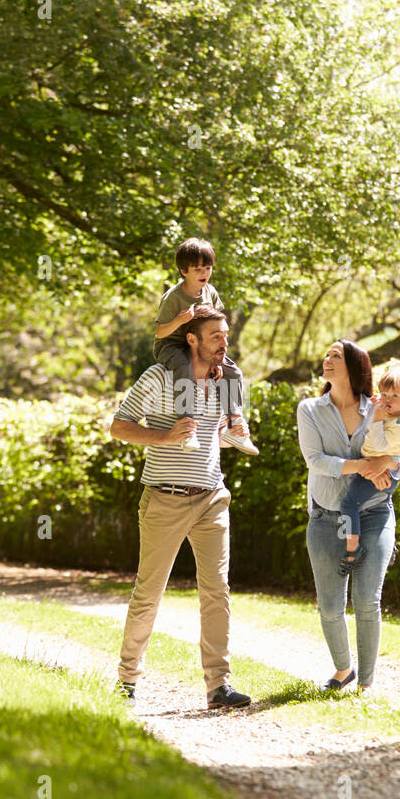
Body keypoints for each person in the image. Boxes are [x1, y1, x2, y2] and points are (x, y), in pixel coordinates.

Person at [110, 303, 253, 710]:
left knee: (217, 591)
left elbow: (215, 437)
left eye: (226, 335)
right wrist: (167, 437)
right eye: (216, 336)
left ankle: (218, 686)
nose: (225, 343)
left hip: (212, 497)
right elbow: (119, 426)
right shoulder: (158, 377)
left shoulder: (226, 380)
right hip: (164, 497)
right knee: (149, 592)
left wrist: (235, 432)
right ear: (191, 339)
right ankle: (127, 680)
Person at [296, 340, 400, 693]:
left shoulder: (380, 406)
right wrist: (365, 465)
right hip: (326, 517)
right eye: (326, 353)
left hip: (375, 513)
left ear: (354, 366)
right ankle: (344, 669)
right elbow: (315, 461)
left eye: (335, 355)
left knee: (367, 600)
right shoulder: (310, 410)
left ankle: (367, 685)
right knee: (330, 607)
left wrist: (388, 463)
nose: (326, 359)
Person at [153, 237, 258, 456]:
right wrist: (179, 321)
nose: (204, 274)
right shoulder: (173, 297)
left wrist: (216, 361)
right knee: (184, 366)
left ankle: (234, 426)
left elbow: (218, 328)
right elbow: (160, 332)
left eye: (208, 268)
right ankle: (187, 427)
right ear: (184, 271)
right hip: (172, 344)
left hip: (201, 346)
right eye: (198, 269)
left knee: (234, 372)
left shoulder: (210, 292)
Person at [336, 363, 400, 575]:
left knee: (348, 503)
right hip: (373, 466)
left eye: (394, 396)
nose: (387, 400)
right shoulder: (391, 413)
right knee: (371, 504)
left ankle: (353, 550)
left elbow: (382, 446)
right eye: (384, 394)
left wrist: (377, 420)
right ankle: (388, 545)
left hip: (385, 473)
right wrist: (377, 407)